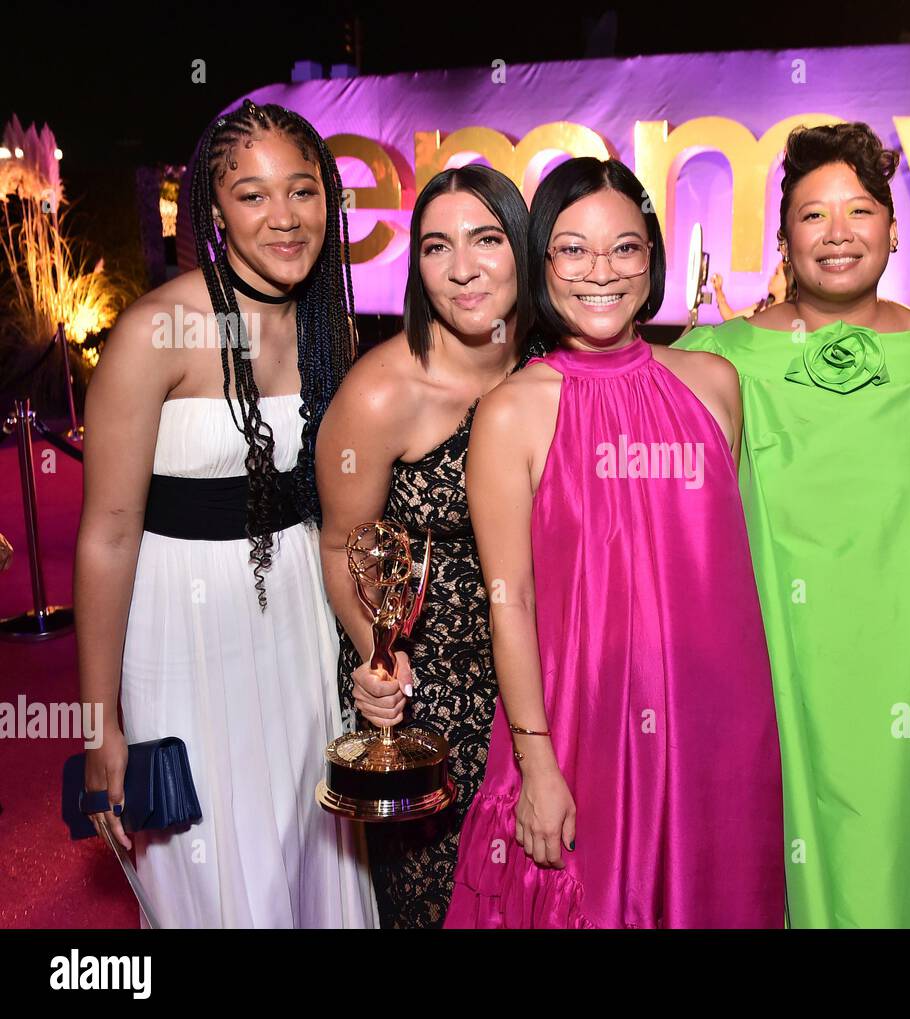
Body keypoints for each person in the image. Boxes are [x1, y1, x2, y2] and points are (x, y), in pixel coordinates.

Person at [444, 157, 784, 928]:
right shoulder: (512, 412)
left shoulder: (713, 383)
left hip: (717, 733)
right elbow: (512, 602)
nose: (602, 271)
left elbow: (711, 572)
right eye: (572, 249)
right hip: (582, 728)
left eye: (625, 248)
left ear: (652, 258)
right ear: (541, 263)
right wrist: (537, 763)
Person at [75, 99, 376, 927]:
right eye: (252, 194)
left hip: (299, 638)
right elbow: (105, 533)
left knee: (305, 846)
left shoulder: (329, 326)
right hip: (183, 639)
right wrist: (100, 721)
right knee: (208, 879)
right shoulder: (154, 333)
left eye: (303, 190)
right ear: (213, 212)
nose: (284, 217)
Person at [674, 122, 910, 927]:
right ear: (783, 238)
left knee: (891, 879)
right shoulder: (715, 357)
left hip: (906, 684)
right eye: (813, 215)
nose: (838, 234)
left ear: (894, 228)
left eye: (860, 211)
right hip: (765, 674)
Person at [316, 165, 543, 928]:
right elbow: (342, 543)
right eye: (437, 246)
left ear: (525, 246)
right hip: (431, 706)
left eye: (487, 238)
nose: (462, 268)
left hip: (548, 688)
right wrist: (374, 657)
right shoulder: (383, 393)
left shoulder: (555, 369)